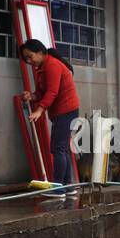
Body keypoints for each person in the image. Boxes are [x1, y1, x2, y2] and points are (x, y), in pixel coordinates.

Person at [19, 38, 80, 195]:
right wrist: (32, 96)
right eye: (26, 58)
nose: (29, 60)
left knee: (58, 149)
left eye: (30, 56)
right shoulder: (42, 68)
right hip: (63, 112)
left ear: (40, 52)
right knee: (62, 149)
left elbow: (52, 91)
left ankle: (57, 189)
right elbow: (42, 92)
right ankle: (67, 187)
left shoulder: (52, 65)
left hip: (66, 111)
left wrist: (39, 110)